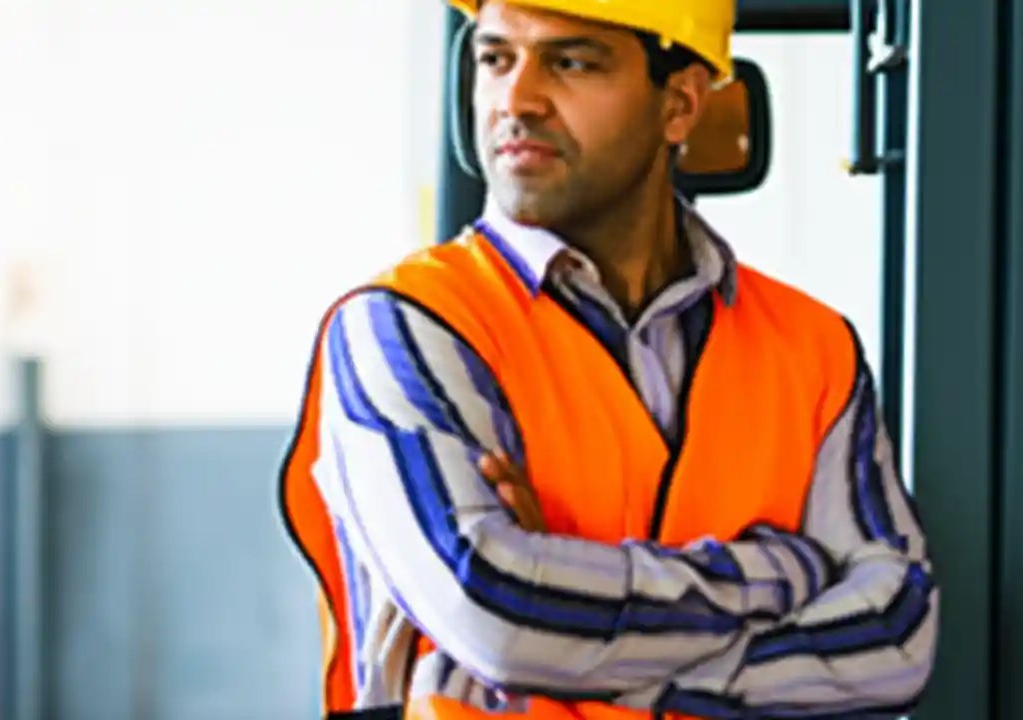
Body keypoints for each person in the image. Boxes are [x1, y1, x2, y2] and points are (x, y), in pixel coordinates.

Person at [279, 1, 938, 718]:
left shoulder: (812, 349)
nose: (517, 100)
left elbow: (895, 638)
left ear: (681, 104)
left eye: (571, 62)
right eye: (495, 58)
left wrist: (580, 646)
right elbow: (495, 613)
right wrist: (788, 573)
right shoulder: (404, 328)